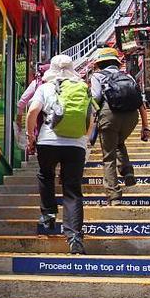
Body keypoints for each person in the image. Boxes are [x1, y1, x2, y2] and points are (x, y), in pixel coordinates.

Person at [26, 54, 94, 254]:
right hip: (76, 145)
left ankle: (48, 214)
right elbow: (91, 117)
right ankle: (74, 237)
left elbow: (32, 112)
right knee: (72, 190)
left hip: (48, 141)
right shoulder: (83, 89)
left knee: (45, 175)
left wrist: (31, 137)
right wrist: (85, 141)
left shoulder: (45, 87)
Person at [89, 47, 150, 203]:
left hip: (109, 116)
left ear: (100, 63)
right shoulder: (128, 76)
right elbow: (140, 102)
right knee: (119, 142)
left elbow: (96, 97)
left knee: (108, 156)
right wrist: (145, 126)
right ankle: (127, 170)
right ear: (116, 62)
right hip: (131, 117)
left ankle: (114, 194)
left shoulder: (97, 76)